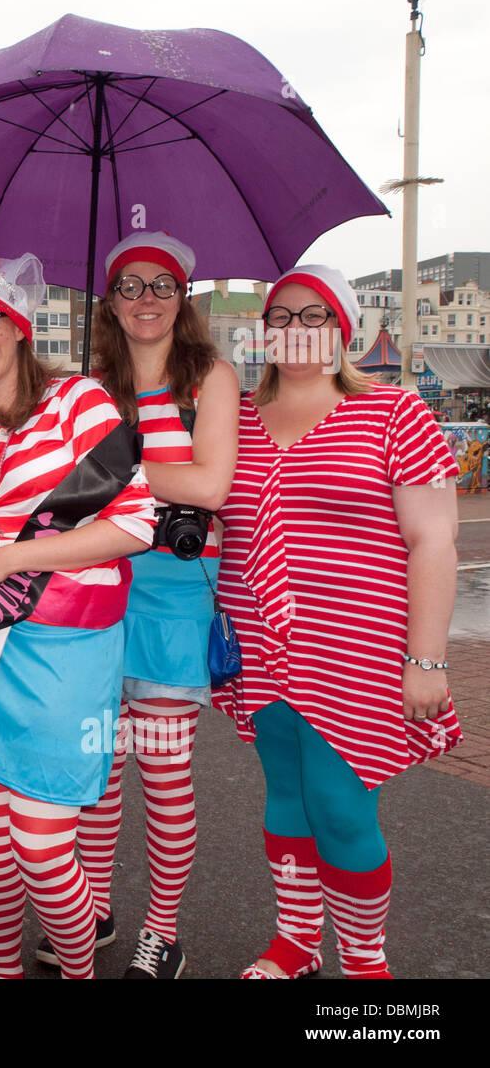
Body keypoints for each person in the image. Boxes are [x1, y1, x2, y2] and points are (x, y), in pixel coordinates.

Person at [0, 256, 155, 979]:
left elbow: (137, 525)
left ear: (16, 326)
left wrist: (12, 559)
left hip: (66, 656)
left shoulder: (81, 403)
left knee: (43, 850)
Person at [214, 265, 462, 979]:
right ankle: (296, 941)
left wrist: (428, 660)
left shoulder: (394, 412)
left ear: (344, 329)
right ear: (264, 332)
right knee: (287, 797)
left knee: (341, 806)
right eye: (282, 316)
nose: (296, 330)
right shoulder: (236, 421)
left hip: (357, 650)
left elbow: (434, 541)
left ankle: (364, 965)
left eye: (314, 315)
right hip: (259, 645)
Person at [57, 233, 239, 979]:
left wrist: (122, 468)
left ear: (183, 297)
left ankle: (162, 931)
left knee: (163, 775)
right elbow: (67, 490)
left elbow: (212, 489)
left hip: (171, 606)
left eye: (161, 285)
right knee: (99, 773)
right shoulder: (90, 386)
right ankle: (95, 911)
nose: (145, 300)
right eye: (129, 286)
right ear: (110, 302)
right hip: (99, 596)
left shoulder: (210, 380)